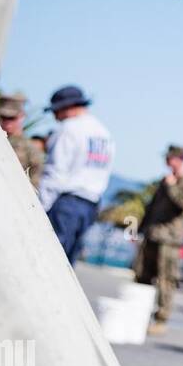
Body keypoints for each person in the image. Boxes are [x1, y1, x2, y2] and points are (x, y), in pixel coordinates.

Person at [37, 85, 116, 264]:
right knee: (67, 263)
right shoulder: (104, 134)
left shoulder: (68, 129)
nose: (55, 117)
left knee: (49, 259)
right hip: (91, 205)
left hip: (66, 204)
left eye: (56, 111)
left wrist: (41, 207)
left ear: (67, 108)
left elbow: (55, 172)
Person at [133, 145, 183, 336]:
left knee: (166, 279)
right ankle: (139, 314)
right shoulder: (164, 180)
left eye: (171, 158)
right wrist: (141, 228)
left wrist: (172, 186)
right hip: (153, 234)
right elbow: (152, 206)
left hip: (170, 240)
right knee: (142, 275)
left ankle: (161, 319)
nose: (167, 162)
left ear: (180, 159)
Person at [0, 91, 43, 191]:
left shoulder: (30, 149)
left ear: (21, 116)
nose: (7, 122)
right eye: (3, 117)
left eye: (11, 118)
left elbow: (35, 184)